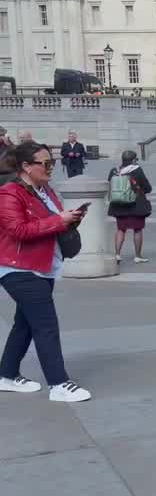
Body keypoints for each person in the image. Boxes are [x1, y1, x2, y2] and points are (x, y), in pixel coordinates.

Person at [0, 141, 92, 402]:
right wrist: (58, 220)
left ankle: (6, 375)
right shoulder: (9, 193)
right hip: (17, 267)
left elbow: (49, 222)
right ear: (26, 167)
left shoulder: (44, 190)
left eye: (52, 163)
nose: (51, 168)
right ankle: (59, 384)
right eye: (46, 164)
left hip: (43, 265)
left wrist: (69, 218)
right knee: (45, 324)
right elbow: (18, 230)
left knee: (25, 324)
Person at [107, 150, 153, 264]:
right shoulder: (137, 170)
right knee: (137, 229)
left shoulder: (114, 170)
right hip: (135, 204)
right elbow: (147, 187)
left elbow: (110, 184)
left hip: (118, 205)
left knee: (120, 229)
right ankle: (137, 256)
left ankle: (117, 254)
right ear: (133, 160)